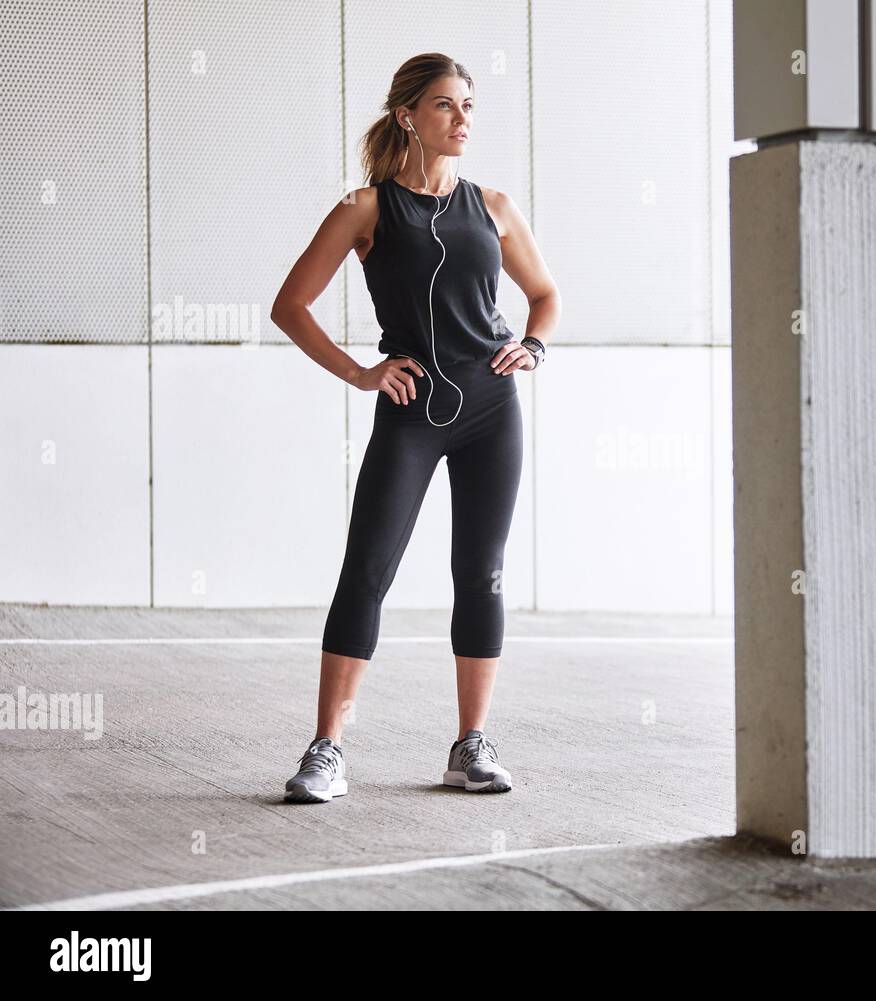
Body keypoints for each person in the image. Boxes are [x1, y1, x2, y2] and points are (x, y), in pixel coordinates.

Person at [269, 52, 561, 802]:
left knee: (481, 573)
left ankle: (471, 745)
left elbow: (545, 294)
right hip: (411, 411)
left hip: (491, 410)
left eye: (468, 106)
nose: (462, 120)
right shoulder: (365, 208)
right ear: (408, 116)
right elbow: (290, 305)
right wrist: (362, 372)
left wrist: (530, 345)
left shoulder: (493, 205)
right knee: (366, 570)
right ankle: (327, 749)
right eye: (445, 106)